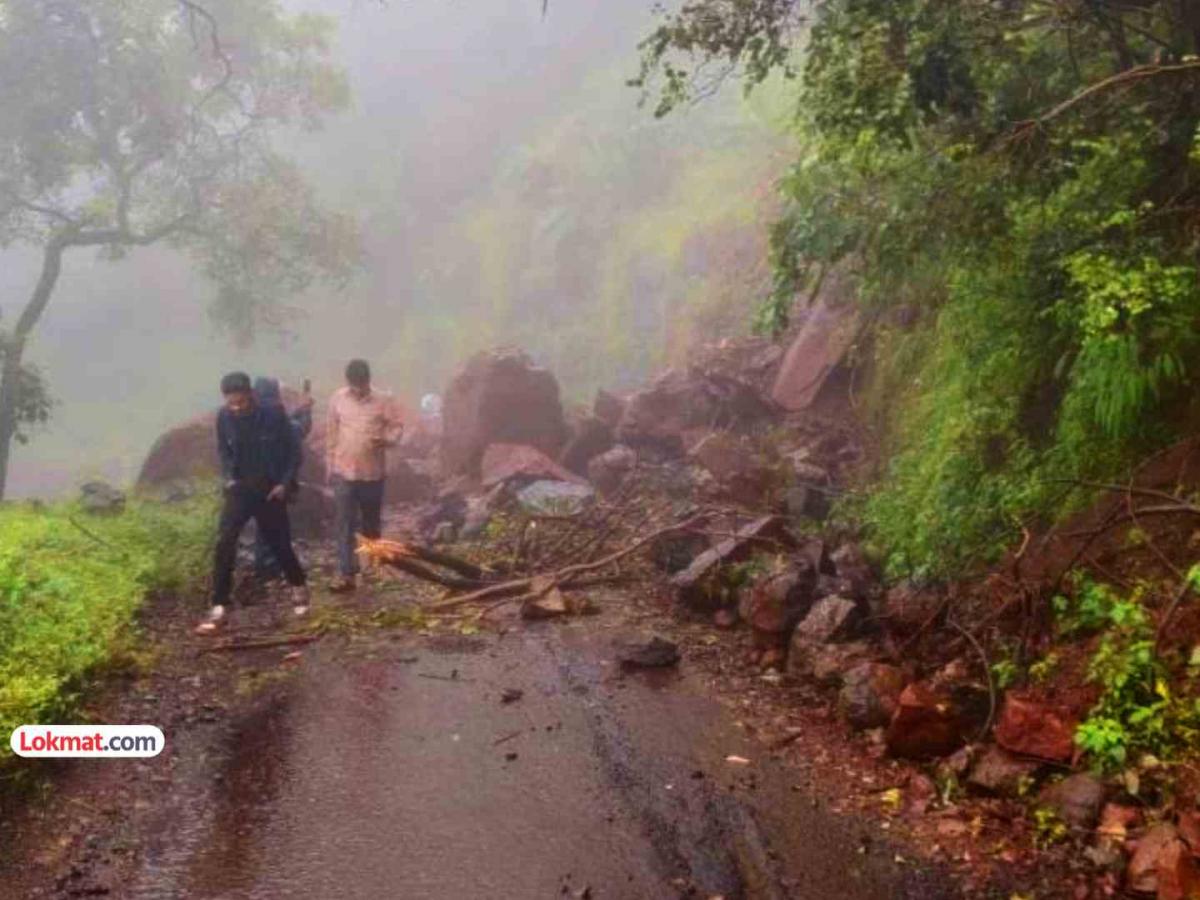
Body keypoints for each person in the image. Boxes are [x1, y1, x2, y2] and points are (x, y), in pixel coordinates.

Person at [196, 372, 311, 634]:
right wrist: (227, 476)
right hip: (239, 489)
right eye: (231, 403)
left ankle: (299, 587)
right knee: (225, 541)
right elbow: (223, 450)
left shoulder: (273, 414)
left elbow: (294, 451)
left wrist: (284, 482)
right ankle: (219, 604)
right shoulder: (224, 416)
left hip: (269, 489)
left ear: (251, 394)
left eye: (241, 402)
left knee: (279, 543)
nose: (236, 408)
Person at [326, 359, 404, 592]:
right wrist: (329, 466)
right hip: (343, 471)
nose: (358, 389)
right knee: (345, 524)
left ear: (368, 381)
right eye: (354, 385)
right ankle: (347, 573)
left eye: (361, 385)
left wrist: (388, 440)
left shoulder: (383, 400)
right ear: (348, 383)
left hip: (372, 473)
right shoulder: (337, 398)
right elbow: (331, 433)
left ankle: (372, 568)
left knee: (371, 522)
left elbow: (397, 426)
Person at [251, 376, 314, 581]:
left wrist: (301, 409)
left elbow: (289, 425)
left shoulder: (251, 415)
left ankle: (265, 566)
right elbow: (297, 429)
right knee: (274, 525)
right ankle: (269, 567)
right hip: (275, 481)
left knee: (265, 523)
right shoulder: (274, 414)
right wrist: (305, 410)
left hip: (256, 481)